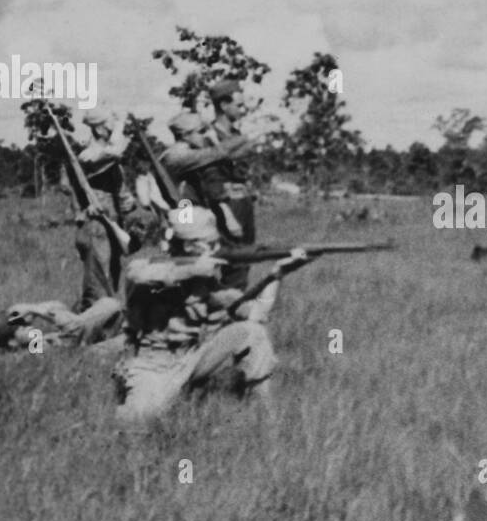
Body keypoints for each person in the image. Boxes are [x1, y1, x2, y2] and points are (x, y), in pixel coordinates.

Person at [111, 206, 315, 430]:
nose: (216, 249)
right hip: (152, 366)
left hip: (191, 358)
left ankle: (267, 417)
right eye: (209, 245)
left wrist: (277, 274)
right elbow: (138, 274)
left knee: (252, 333)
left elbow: (258, 313)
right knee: (137, 423)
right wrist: (194, 269)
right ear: (191, 246)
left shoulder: (208, 286)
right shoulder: (146, 266)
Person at [159, 95, 263, 288]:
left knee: (209, 276)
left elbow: (221, 160)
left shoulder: (189, 153)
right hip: (187, 227)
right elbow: (217, 153)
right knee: (194, 279)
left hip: (196, 223)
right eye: (201, 131)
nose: (206, 134)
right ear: (185, 135)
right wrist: (247, 137)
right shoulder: (177, 156)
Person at [66, 107, 133, 309]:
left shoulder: (109, 158)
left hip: (110, 224)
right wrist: (121, 123)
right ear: (99, 128)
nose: (114, 130)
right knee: (99, 287)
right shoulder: (87, 155)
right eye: (110, 125)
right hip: (96, 227)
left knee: (111, 282)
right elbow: (115, 151)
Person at [0, 297, 123, 352]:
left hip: (84, 338)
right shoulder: (37, 349)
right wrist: (35, 309)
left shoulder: (20, 345)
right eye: (21, 327)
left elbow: (63, 307)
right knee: (112, 306)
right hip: (88, 349)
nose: (27, 324)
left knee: (111, 306)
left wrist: (35, 308)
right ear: (12, 342)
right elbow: (76, 329)